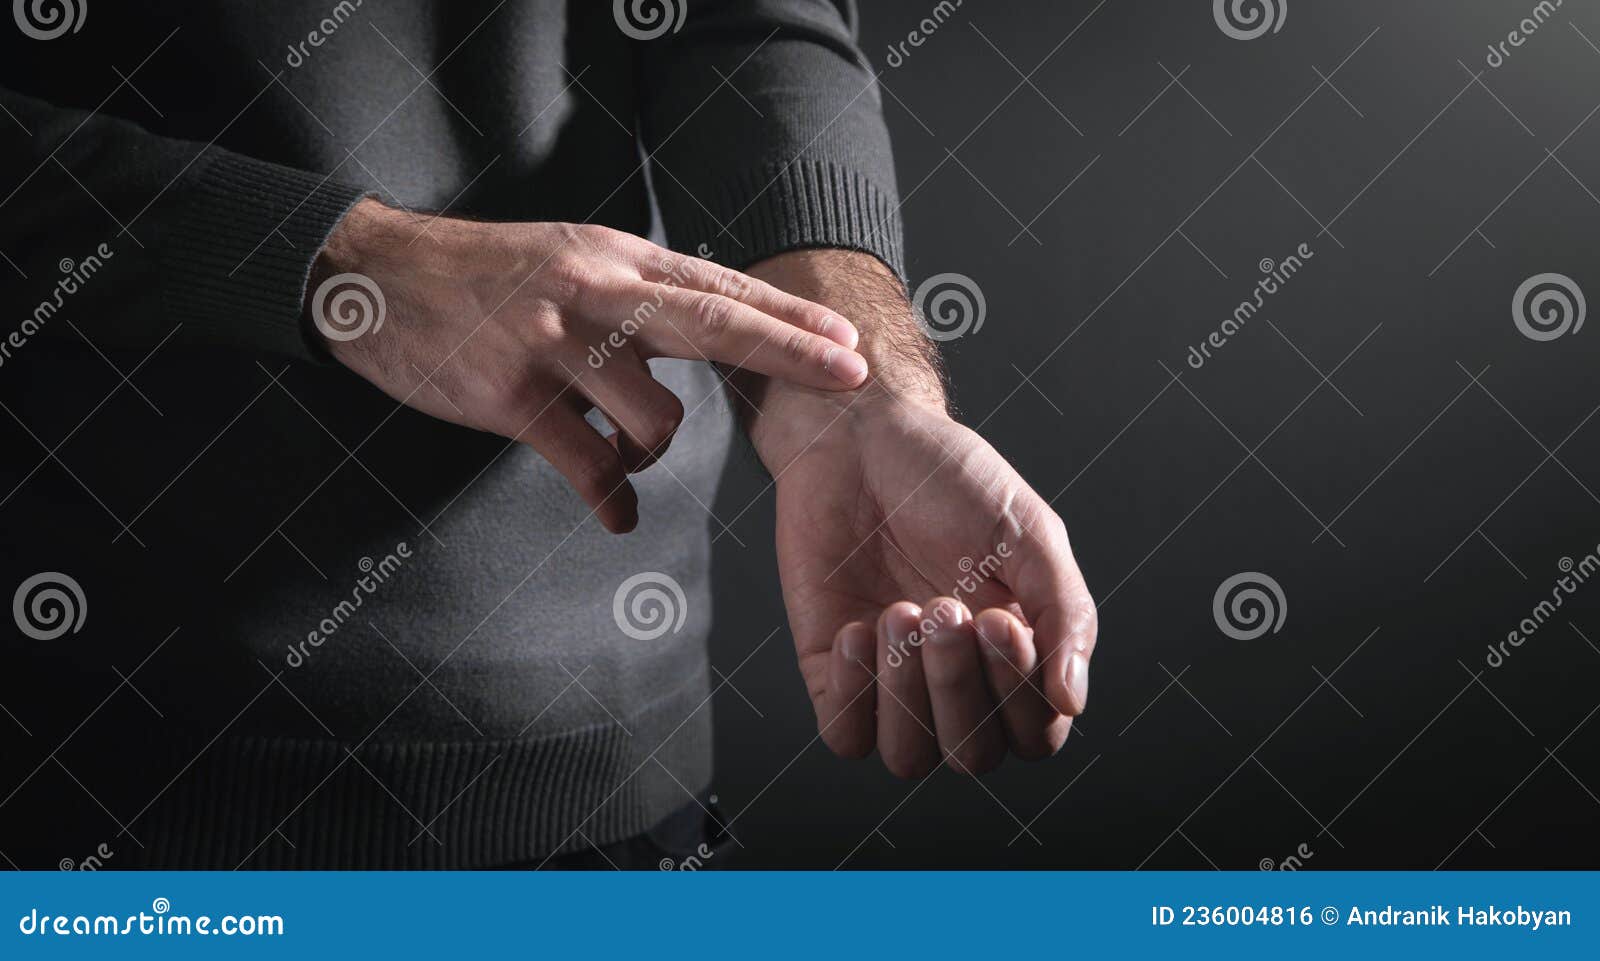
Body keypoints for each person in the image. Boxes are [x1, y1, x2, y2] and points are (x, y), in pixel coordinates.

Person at [0, 0, 1097, 869]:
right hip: (93, 768)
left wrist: (856, 385)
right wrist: (343, 262)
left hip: (611, 760)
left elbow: (738, 17)